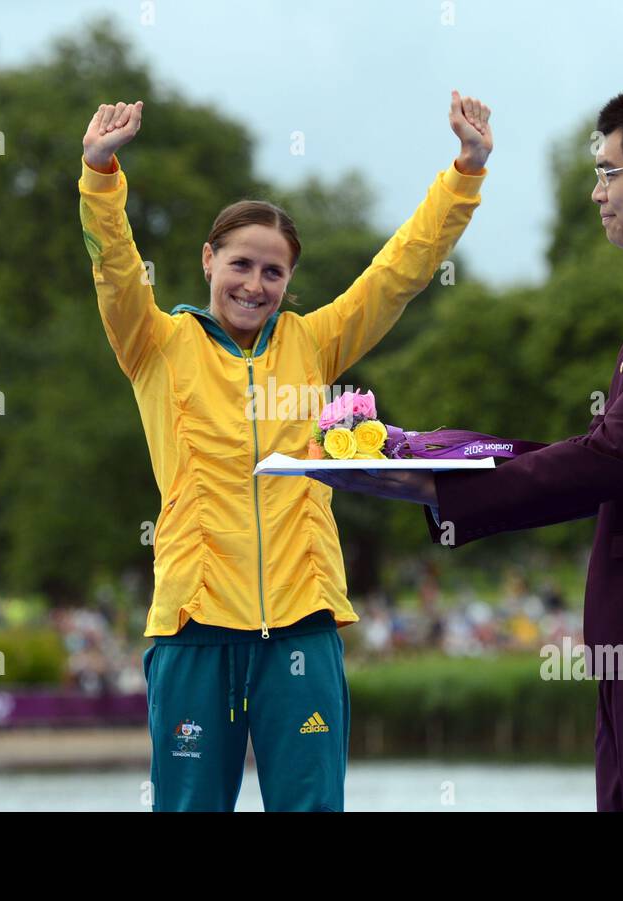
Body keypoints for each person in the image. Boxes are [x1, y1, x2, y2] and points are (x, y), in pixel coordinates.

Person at [313, 80, 623, 811]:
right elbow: (613, 448)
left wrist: (442, 489)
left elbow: (613, 457)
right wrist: (434, 453)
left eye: (609, 172)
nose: (596, 193)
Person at [79, 92, 493, 811]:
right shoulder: (154, 343)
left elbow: (398, 273)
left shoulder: (313, 343)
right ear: (208, 260)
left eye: (274, 273)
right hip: (194, 626)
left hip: (301, 628)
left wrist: (465, 171)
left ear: (289, 283)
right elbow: (116, 269)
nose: (254, 284)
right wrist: (101, 173)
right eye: (241, 264)